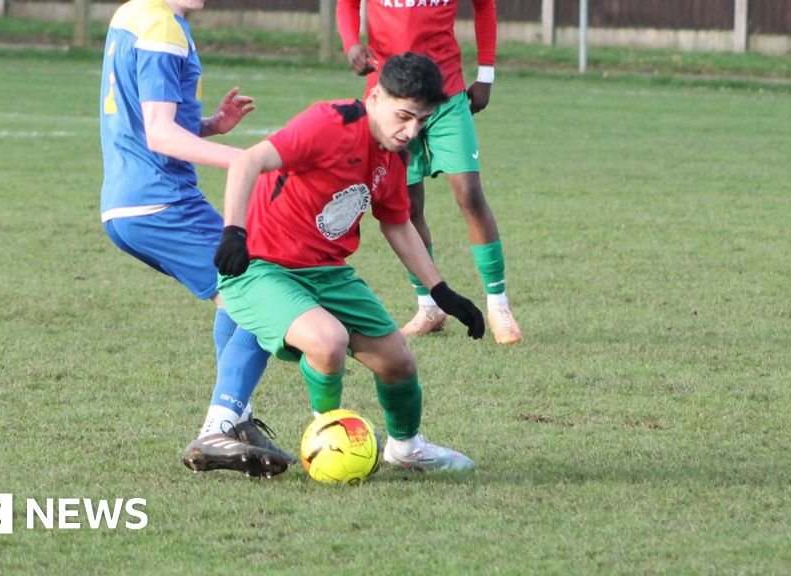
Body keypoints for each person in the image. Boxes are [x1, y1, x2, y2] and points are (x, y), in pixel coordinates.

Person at [214, 53, 481, 472]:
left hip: (327, 272)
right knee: (328, 341)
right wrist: (234, 231)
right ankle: (327, 438)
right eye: (404, 115)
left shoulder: (395, 154)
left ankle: (406, 447)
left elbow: (397, 224)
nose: (411, 130)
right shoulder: (329, 123)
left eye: (422, 121)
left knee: (399, 362)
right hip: (262, 266)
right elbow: (248, 160)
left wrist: (440, 290)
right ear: (375, 97)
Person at [98, 0, 294, 478]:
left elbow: (142, 117)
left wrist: (210, 127)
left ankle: (236, 420)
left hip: (131, 204)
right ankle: (219, 425)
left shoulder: (136, 15)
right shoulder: (162, 28)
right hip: (159, 204)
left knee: (235, 293)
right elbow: (161, 136)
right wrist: (244, 159)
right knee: (265, 290)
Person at [336, 0, 523, 345]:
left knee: (468, 193)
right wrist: (351, 44)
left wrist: (486, 75)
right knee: (404, 206)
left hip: (446, 95)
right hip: (390, 99)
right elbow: (346, 5)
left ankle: (498, 305)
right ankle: (429, 307)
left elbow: (485, 6)